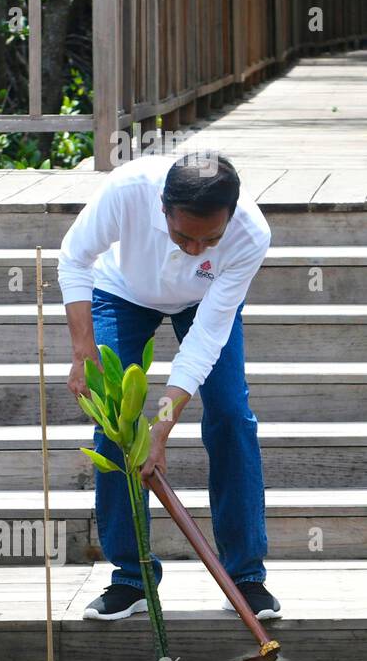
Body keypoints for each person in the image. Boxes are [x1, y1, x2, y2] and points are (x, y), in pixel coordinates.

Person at [58, 151, 278, 621]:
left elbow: (204, 342)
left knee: (230, 415)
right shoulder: (127, 190)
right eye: (184, 236)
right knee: (115, 421)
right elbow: (74, 258)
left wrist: (161, 425)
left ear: (232, 216)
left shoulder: (250, 234)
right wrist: (83, 352)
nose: (196, 250)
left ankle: (245, 576)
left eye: (210, 240)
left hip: (204, 303)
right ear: (162, 206)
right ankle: (131, 577)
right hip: (122, 291)